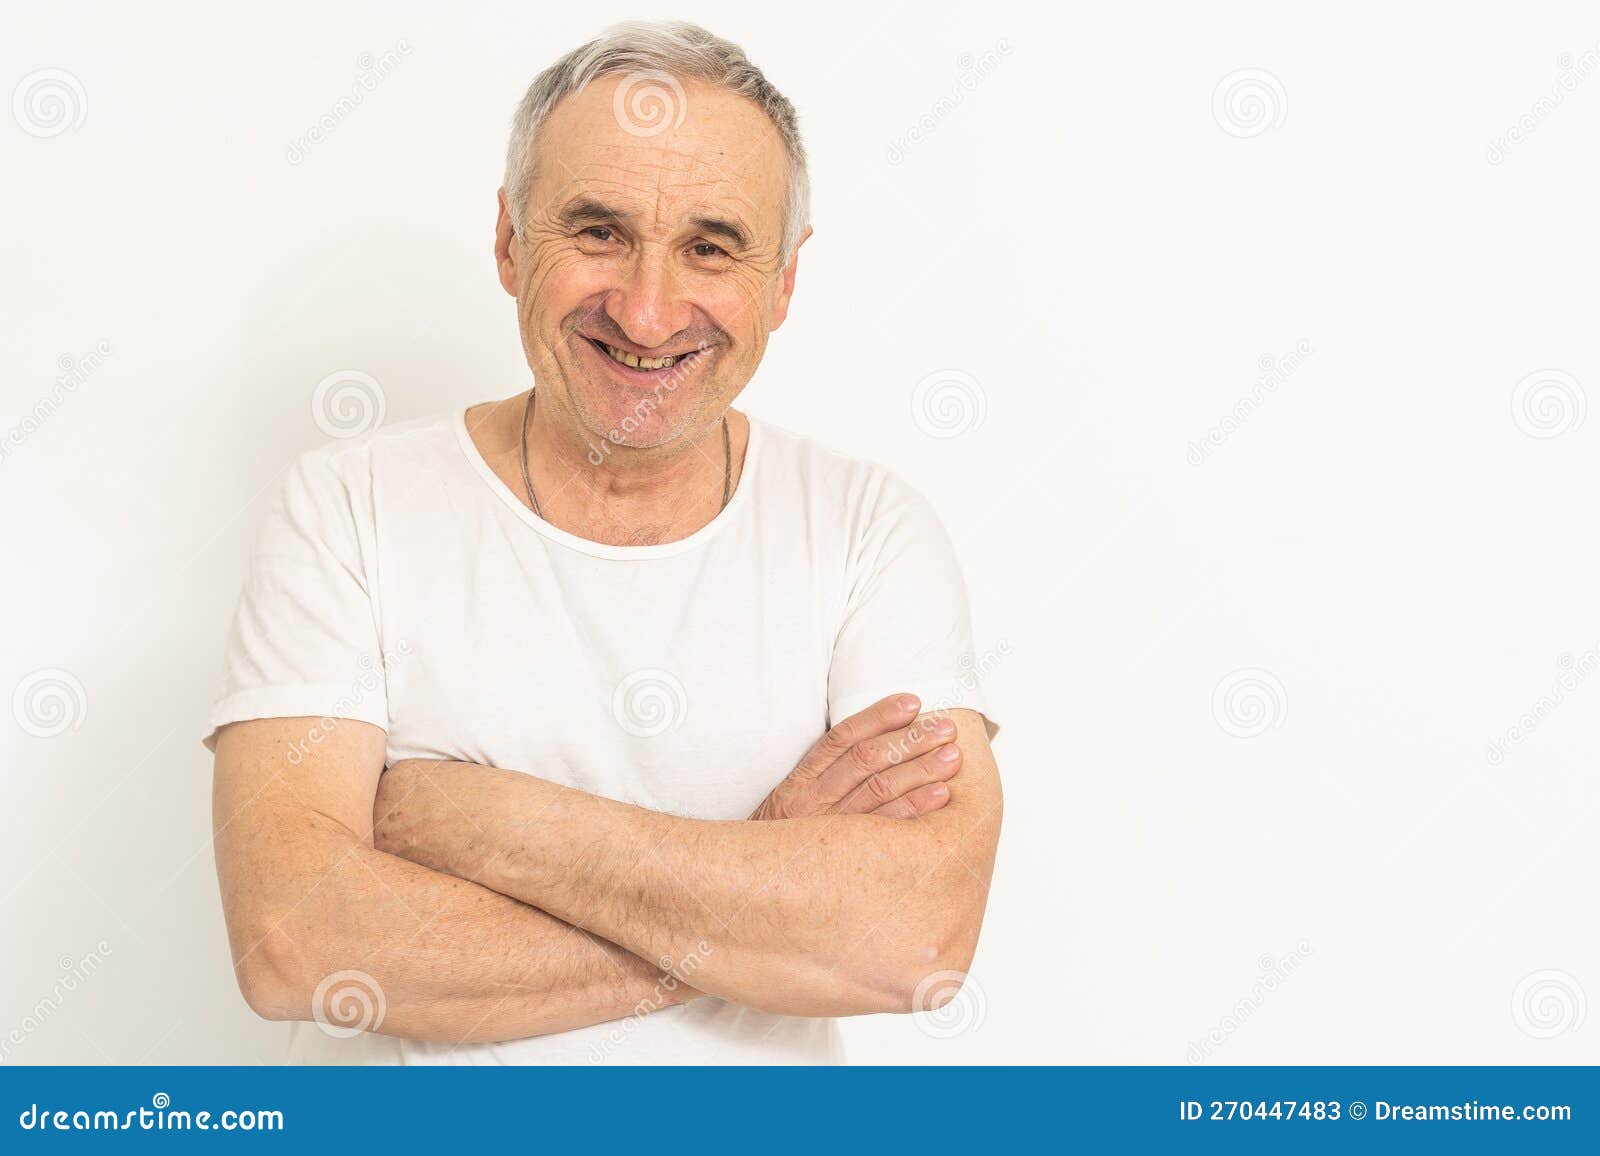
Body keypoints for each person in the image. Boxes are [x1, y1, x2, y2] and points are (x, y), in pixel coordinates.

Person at [207, 19, 1001, 1064]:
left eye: (709, 247)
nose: (647, 311)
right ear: (509, 242)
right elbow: (294, 944)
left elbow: (915, 940)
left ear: (782, 282)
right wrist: (766, 890)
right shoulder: (348, 505)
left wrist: (491, 824)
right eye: (597, 232)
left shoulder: (868, 528)